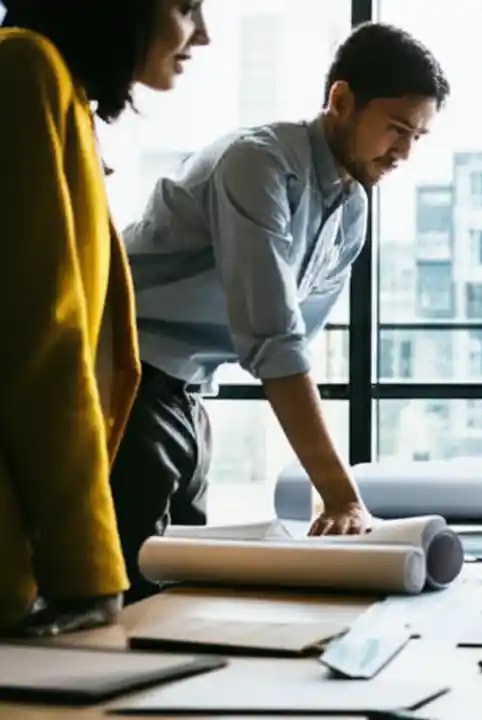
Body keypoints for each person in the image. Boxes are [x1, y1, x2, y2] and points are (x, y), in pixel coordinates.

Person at [112, 21, 450, 603]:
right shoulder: (257, 163)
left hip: (189, 395)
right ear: (341, 100)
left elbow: (293, 347)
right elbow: (274, 344)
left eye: (417, 136)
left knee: (180, 587)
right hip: (123, 377)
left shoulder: (351, 209)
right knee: (128, 591)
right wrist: (340, 495)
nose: (404, 153)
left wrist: (333, 496)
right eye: (396, 129)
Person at [0, 0, 209, 635]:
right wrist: (85, 571)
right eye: (184, 7)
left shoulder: (55, 88)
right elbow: (45, 344)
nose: (201, 34)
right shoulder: (24, 66)